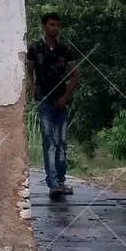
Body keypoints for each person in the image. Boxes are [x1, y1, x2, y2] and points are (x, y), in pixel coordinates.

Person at [26, 12, 80, 201]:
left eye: (57, 25)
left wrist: (66, 96)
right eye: (51, 25)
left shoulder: (64, 50)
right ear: (44, 26)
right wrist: (32, 90)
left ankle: (61, 180)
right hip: (44, 100)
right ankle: (53, 183)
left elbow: (75, 75)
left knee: (61, 142)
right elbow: (28, 71)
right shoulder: (35, 48)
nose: (54, 28)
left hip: (60, 100)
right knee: (49, 141)